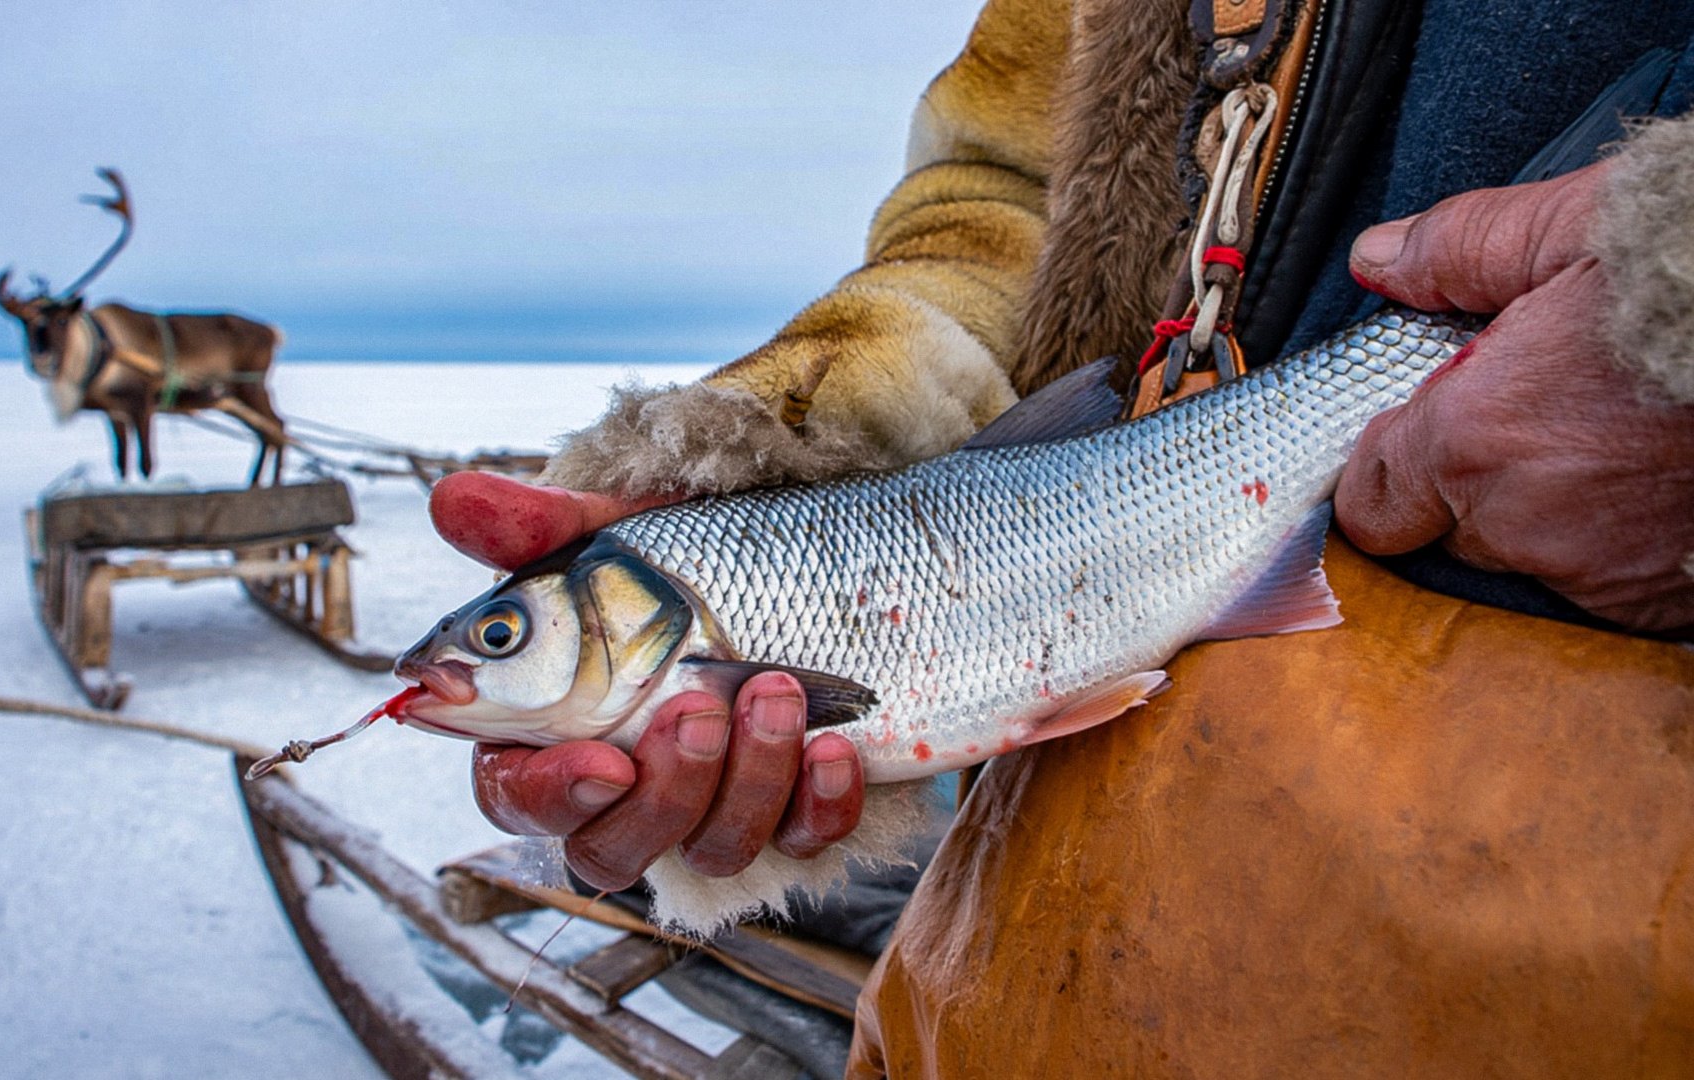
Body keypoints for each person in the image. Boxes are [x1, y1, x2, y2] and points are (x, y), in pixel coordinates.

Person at [435, 1, 1694, 1073]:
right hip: (1084, 856)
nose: (474, 657)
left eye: (500, 636)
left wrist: (1669, 307)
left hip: (1571, 842)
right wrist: (808, 431)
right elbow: (1003, 193)